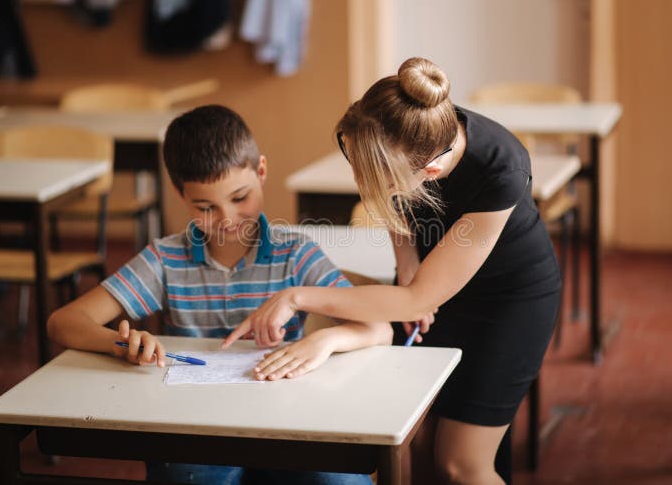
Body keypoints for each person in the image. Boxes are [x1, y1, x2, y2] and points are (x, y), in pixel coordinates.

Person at [226, 58, 562, 485]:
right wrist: (408, 265)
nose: (361, 183)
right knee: (415, 445)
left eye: (374, 177)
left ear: (432, 171)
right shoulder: (401, 130)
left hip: (510, 303)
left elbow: (419, 299)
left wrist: (297, 295)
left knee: (460, 466)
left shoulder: (501, 168)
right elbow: (395, 208)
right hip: (433, 281)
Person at [47, 105, 391, 485]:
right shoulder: (167, 259)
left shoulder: (295, 253)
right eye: (206, 207)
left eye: (240, 197)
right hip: (197, 429)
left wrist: (324, 339)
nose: (227, 219)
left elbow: (379, 328)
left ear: (261, 172)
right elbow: (64, 322)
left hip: (287, 424)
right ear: (181, 194)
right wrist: (122, 342)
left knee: (342, 481)